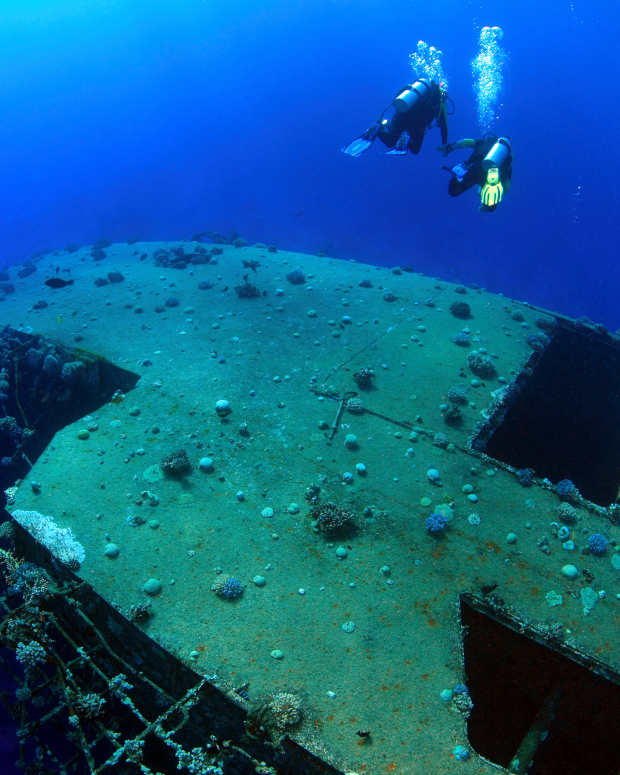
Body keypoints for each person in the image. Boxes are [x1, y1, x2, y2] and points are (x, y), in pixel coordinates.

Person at [343, 78, 450, 157]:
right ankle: (406, 137)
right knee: (415, 150)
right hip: (417, 125)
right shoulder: (440, 103)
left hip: (400, 115)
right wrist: (444, 145)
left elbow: (398, 98)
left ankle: (379, 128)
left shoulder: (415, 90)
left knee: (391, 141)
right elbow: (444, 127)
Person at [439, 135, 512, 211]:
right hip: (488, 179)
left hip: (474, 170)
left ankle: (458, 172)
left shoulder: (483, 142)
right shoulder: (507, 159)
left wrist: (449, 148)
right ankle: (487, 206)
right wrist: (496, 199)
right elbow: (507, 184)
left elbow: (465, 142)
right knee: (491, 201)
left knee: (453, 191)